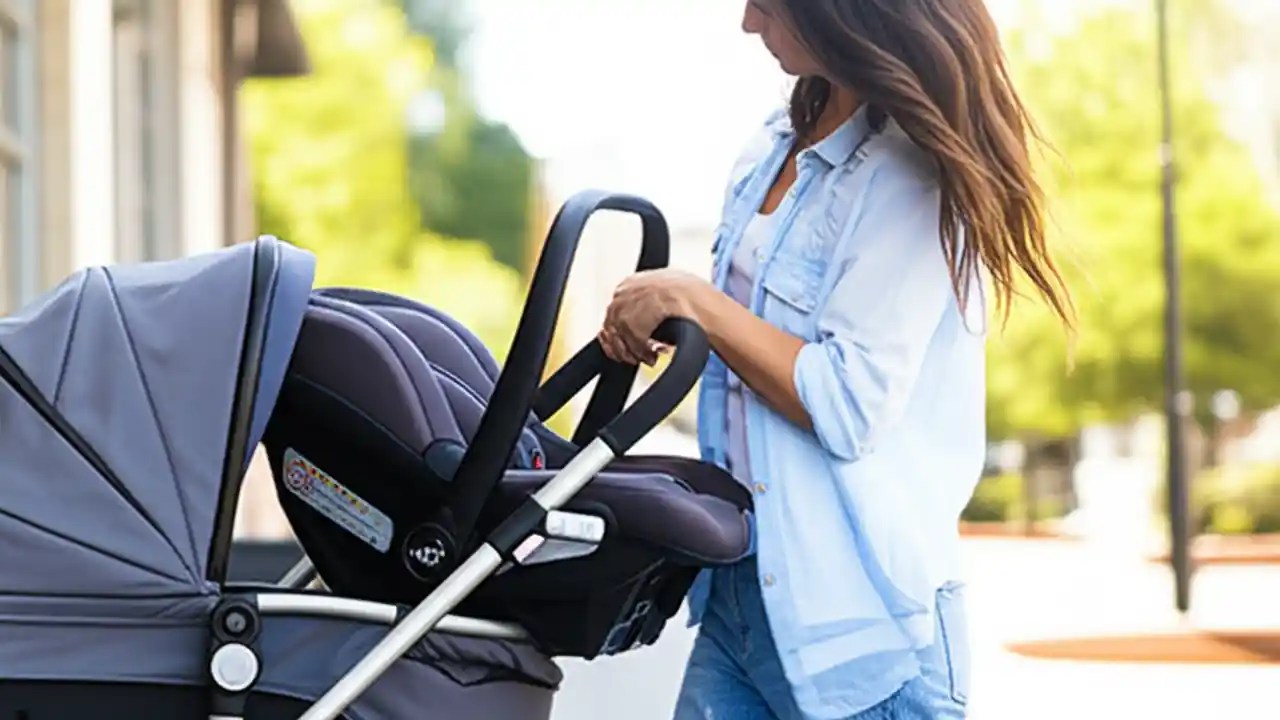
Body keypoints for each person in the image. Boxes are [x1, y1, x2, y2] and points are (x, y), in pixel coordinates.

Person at [597, 0, 1075, 718]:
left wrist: (697, 301)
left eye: (766, 6)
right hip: (743, 600)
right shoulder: (772, 147)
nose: (748, 25)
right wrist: (680, 320)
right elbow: (757, 341)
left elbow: (849, 402)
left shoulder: (909, 175)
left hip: (862, 635)